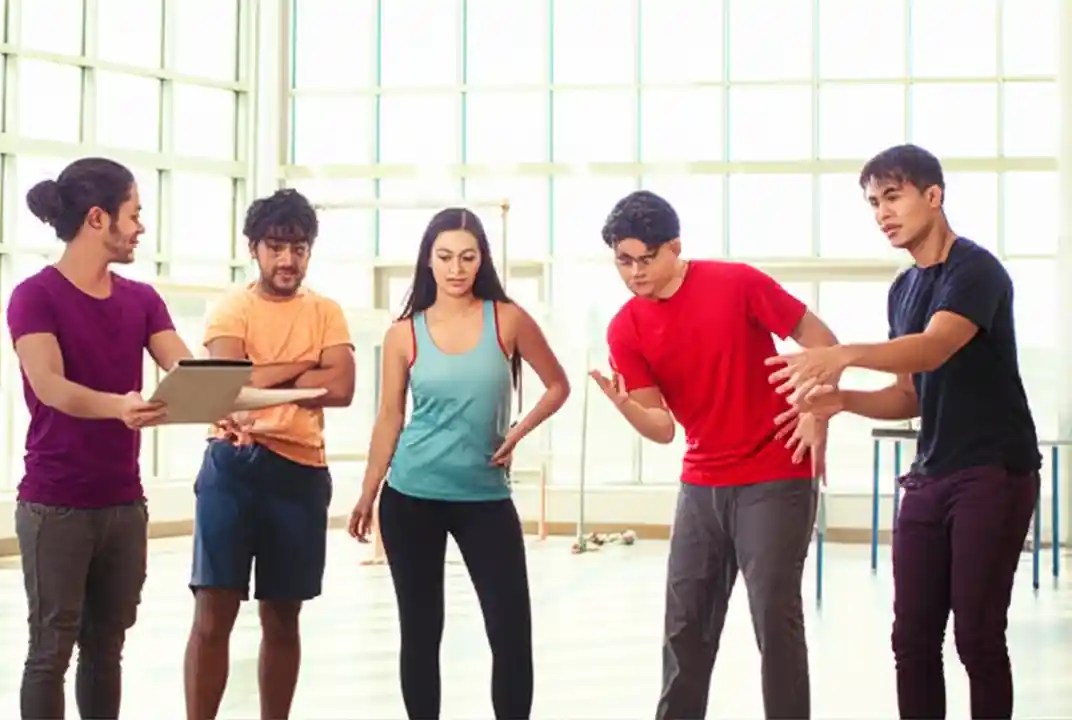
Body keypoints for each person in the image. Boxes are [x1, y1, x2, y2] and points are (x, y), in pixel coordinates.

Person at [765, 143, 1041, 720]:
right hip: (930, 475)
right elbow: (909, 394)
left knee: (977, 637)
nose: (882, 213)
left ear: (933, 196)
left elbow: (935, 347)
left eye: (893, 197)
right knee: (911, 641)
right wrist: (842, 401)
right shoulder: (902, 288)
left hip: (994, 470)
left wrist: (844, 354)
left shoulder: (976, 270)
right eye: (873, 203)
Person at [593, 190, 841, 720]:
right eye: (623, 261)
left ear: (675, 247)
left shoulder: (738, 283)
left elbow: (822, 341)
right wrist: (624, 406)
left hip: (775, 470)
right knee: (685, 626)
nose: (635, 273)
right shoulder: (625, 327)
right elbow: (662, 428)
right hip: (702, 482)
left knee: (774, 616)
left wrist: (814, 412)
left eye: (646, 258)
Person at [347, 208, 570, 720]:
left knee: (511, 632)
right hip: (411, 496)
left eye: (467, 257)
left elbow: (558, 385)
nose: (456, 268)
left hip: (485, 499)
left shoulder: (507, 319)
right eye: (445, 256)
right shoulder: (403, 333)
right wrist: (367, 492)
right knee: (421, 633)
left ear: (482, 260)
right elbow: (389, 417)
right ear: (428, 260)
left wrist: (517, 433)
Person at [6, 157, 193, 719]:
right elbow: (50, 386)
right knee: (50, 651)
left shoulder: (142, 299)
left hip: (123, 504)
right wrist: (120, 406)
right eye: (133, 214)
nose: (140, 227)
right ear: (97, 218)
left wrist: (225, 406)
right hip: (55, 505)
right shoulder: (34, 296)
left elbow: (185, 368)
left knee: (107, 650)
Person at [183, 188, 356, 720]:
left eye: (298, 249)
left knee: (283, 617)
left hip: (300, 471)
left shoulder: (326, 311)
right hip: (234, 466)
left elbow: (342, 387)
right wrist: (305, 367)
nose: (287, 260)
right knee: (214, 613)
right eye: (276, 247)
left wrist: (263, 376)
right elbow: (228, 387)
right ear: (254, 248)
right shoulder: (232, 307)